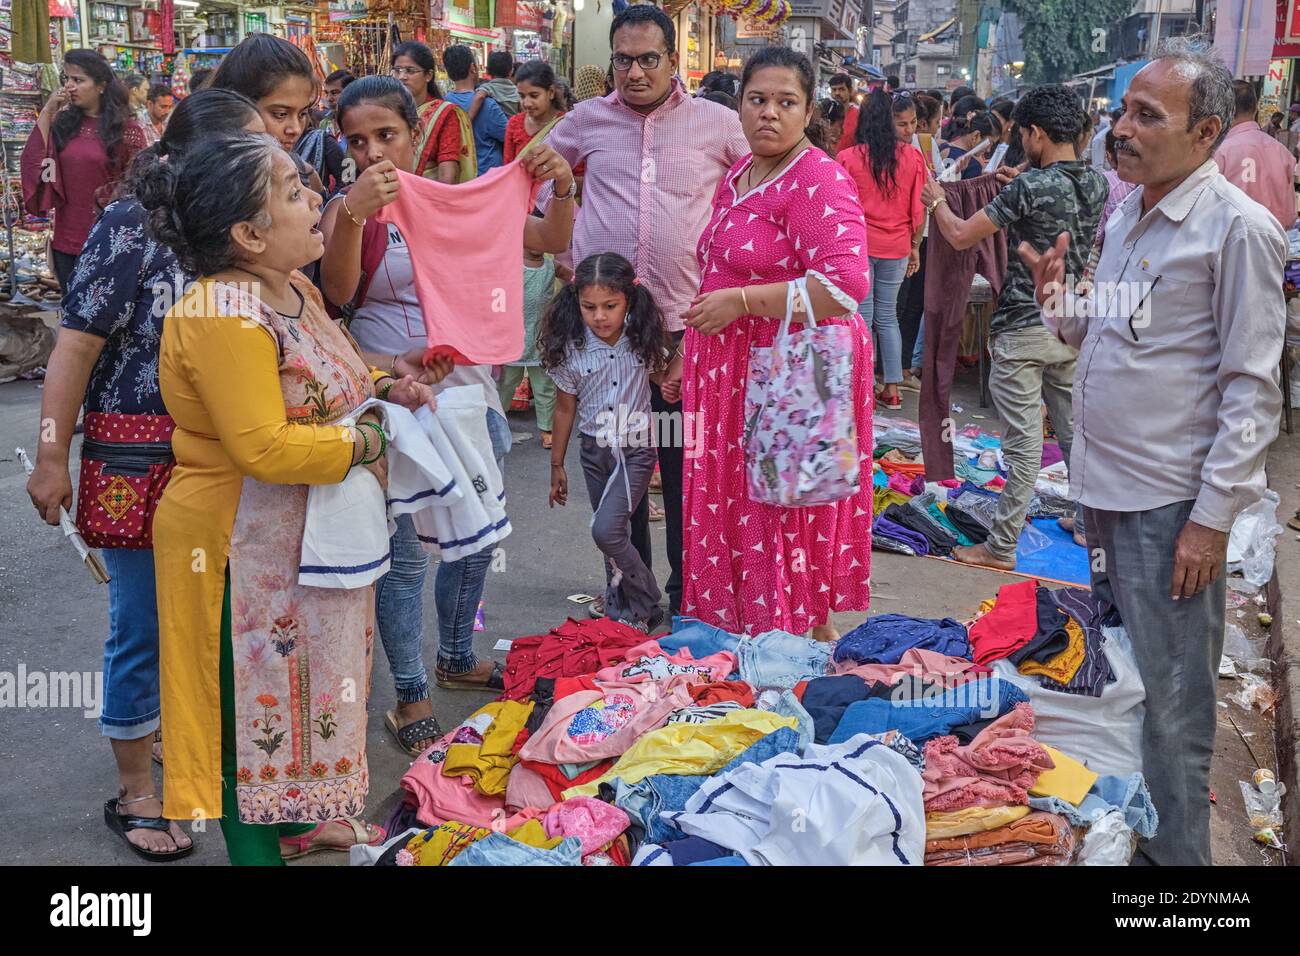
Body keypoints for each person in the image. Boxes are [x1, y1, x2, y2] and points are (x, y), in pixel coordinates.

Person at [138, 130, 437, 865]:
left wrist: (383, 381)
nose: (316, 201)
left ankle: (296, 827)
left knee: (302, 710)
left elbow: (328, 375)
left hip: (303, 543)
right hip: (239, 551)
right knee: (251, 726)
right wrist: (367, 446)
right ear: (247, 233)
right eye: (295, 192)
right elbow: (263, 448)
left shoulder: (293, 289)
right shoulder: (220, 313)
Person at [1021, 38, 1286, 866]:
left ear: (1206, 132)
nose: (1121, 129)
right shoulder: (1129, 209)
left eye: (1146, 115)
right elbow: (1102, 328)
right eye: (1122, 111)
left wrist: (1210, 524)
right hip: (1105, 494)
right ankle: (1143, 842)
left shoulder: (1238, 232)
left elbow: (1253, 390)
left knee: (1175, 708)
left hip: (1170, 512)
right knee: (1127, 681)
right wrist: (1057, 298)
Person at [24, 89, 264, 863]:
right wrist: (54, 453)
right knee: (145, 625)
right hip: (139, 462)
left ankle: (199, 758)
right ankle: (136, 788)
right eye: (254, 142)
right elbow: (76, 345)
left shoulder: (238, 234)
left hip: (230, 461)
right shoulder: (130, 225)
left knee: (223, 625)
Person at [319, 76, 576, 752]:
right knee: (403, 561)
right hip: (388, 397)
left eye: (386, 135)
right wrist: (350, 213)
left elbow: (548, 236)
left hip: (467, 393)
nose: (373, 151)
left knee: (475, 541)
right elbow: (337, 297)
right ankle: (410, 695)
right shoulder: (344, 213)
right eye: (357, 141)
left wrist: (561, 183)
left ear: (415, 134)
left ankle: (458, 652)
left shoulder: (461, 201)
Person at [540, 3, 748, 622]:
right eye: (623, 60)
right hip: (612, 339)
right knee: (619, 478)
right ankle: (634, 597)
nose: (634, 72)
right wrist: (561, 237)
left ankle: (691, 597)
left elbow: (752, 202)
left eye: (647, 59)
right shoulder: (583, 121)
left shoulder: (719, 124)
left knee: (686, 472)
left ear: (673, 58)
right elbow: (530, 179)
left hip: (690, 335)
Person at [682, 46, 872, 641]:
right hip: (728, 369)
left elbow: (845, 287)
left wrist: (739, 303)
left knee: (779, 508)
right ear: (738, 105)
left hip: (791, 371)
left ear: (809, 110)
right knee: (735, 503)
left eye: (786, 102)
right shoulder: (742, 173)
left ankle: (787, 640)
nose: (769, 113)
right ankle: (742, 631)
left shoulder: (818, 176)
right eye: (757, 99)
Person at [922, 84, 1106, 568]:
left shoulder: (1030, 186)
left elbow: (961, 235)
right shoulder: (1096, 182)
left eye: (1024, 136)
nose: (1021, 143)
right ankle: (1089, 525)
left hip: (1023, 328)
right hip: (1068, 326)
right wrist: (1018, 181)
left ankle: (1000, 547)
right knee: (1071, 434)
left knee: (1023, 444)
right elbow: (1054, 195)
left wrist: (937, 201)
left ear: (1036, 133)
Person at [544, 253, 674, 631]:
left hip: (635, 448)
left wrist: (667, 381)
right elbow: (565, 410)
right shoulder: (570, 347)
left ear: (628, 301)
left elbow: (664, 375)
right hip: (593, 450)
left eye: (610, 306)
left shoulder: (643, 339)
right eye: (590, 307)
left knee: (605, 529)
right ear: (576, 303)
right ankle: (622, 608)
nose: (599, 316)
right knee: (614, 533)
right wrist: (557, 465)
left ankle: (646, 597)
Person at [20, 49, 146, 291]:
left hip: (109, 243)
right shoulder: (63, 124)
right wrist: (47, 111)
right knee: (73, 315)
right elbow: (33, 161)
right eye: (66, 79)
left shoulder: (127, 130)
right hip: (66, 243)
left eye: (78, 80)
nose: (69, 86)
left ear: (101, 85)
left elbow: (139, 187)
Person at [838, 89, 926, 411]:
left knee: (861, 317)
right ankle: (891, 388)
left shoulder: (847, 159)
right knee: (888, 317)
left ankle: (862, 388)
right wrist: (915, 247)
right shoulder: (912, 158)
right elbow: (920, 210)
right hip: (898, 246)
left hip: (857, 248)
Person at [209, 32, 344, 197]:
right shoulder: (197, 179)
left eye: (302, 114)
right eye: (280, 114)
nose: (295, 129)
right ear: (236, 108)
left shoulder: (302, 174)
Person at [1214, 79, 1298, 229]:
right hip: (1274, 242)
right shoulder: (1282, 152)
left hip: (1230, 242)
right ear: (1256, 108)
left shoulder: (1220, 152)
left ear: (1224, 110)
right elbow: (1290, 215)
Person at [389, 40, 472, 184]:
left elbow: (448, 174)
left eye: (410, 70)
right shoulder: (386, 112)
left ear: (428, 75)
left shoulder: (444, 114)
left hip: (426, 198)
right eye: (397, 70)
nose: (402, 77)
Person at [443, 44, 508, 175]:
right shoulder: (488, 105)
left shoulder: (443, 103)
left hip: (460, 177)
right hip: (487, 177)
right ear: (472, 68)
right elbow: (509, 136)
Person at [503, 60, 567, 164]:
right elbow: (507, 169)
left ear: (551, 92)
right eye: (522, 96)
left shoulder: (567, 125)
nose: (527, 103)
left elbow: (581, 177)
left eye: (534, 96)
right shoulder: (514, 124)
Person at [939, 110, 997, 180]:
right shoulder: (973, 165)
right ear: (976, 136)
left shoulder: (943, 147)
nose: (988, 150)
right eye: (990, 144)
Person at [478, 51, 521, 117]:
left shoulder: (488, 87)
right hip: (512, 125)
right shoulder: (517, 90)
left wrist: (469, 119)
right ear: (511, 71)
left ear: (487, 70)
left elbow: (480, 97)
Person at [320, 69, 356, 142]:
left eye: (334, 93)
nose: (329, 99)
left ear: (350, 92)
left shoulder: (360, 122)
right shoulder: (324, 124)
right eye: (326, 93)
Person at [831, 73, 860, 154]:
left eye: (841, 89)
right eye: (834, 89)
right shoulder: (827, 113)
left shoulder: (859, 115)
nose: (837, 93)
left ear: (850, 91)